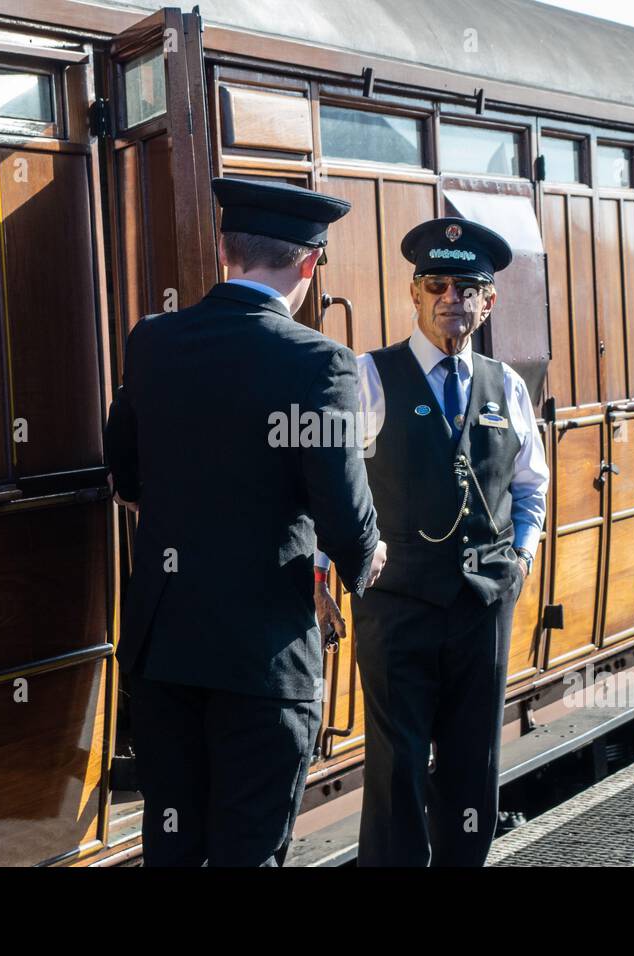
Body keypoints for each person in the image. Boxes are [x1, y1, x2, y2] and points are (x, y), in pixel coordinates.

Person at [105, 178, 387, 866]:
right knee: (249, 847)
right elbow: (343, 509)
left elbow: (125, 471)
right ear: (310, 264)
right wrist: (366, 557)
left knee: (172, 844)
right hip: (261, 659)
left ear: (225, 250)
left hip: (165, 648)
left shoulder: (155, 339)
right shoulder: (318, 361)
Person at [315, 217, 549, 866]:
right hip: (397, 606)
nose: (453, 297)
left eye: (468, 287)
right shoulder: (369, 376)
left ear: (488, 301)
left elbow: (531, 487)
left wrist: (523, 556)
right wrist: (322, 578)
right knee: (397, 768)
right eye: (438, 284)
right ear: (415, 294)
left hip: (483, 607)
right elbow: (329, 485)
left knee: (475, 764)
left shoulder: (508, 387)